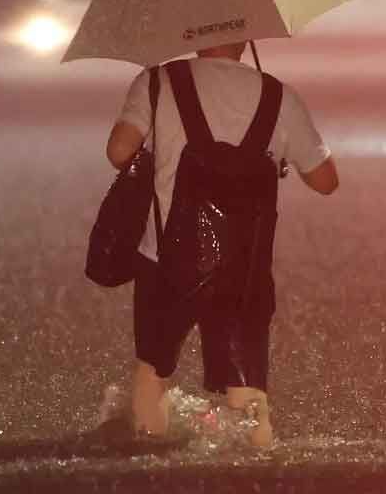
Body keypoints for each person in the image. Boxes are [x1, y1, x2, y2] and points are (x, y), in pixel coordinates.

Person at [105, 40, 338, 448]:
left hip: (163, 259)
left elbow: (118, 151)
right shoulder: (278, 95)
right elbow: (325, 181)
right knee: (247, 388)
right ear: (246, 37)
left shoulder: (157, 82)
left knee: (153, 371)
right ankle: (257, 462)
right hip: (242, 269)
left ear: (192, 35)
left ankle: (144, 453)